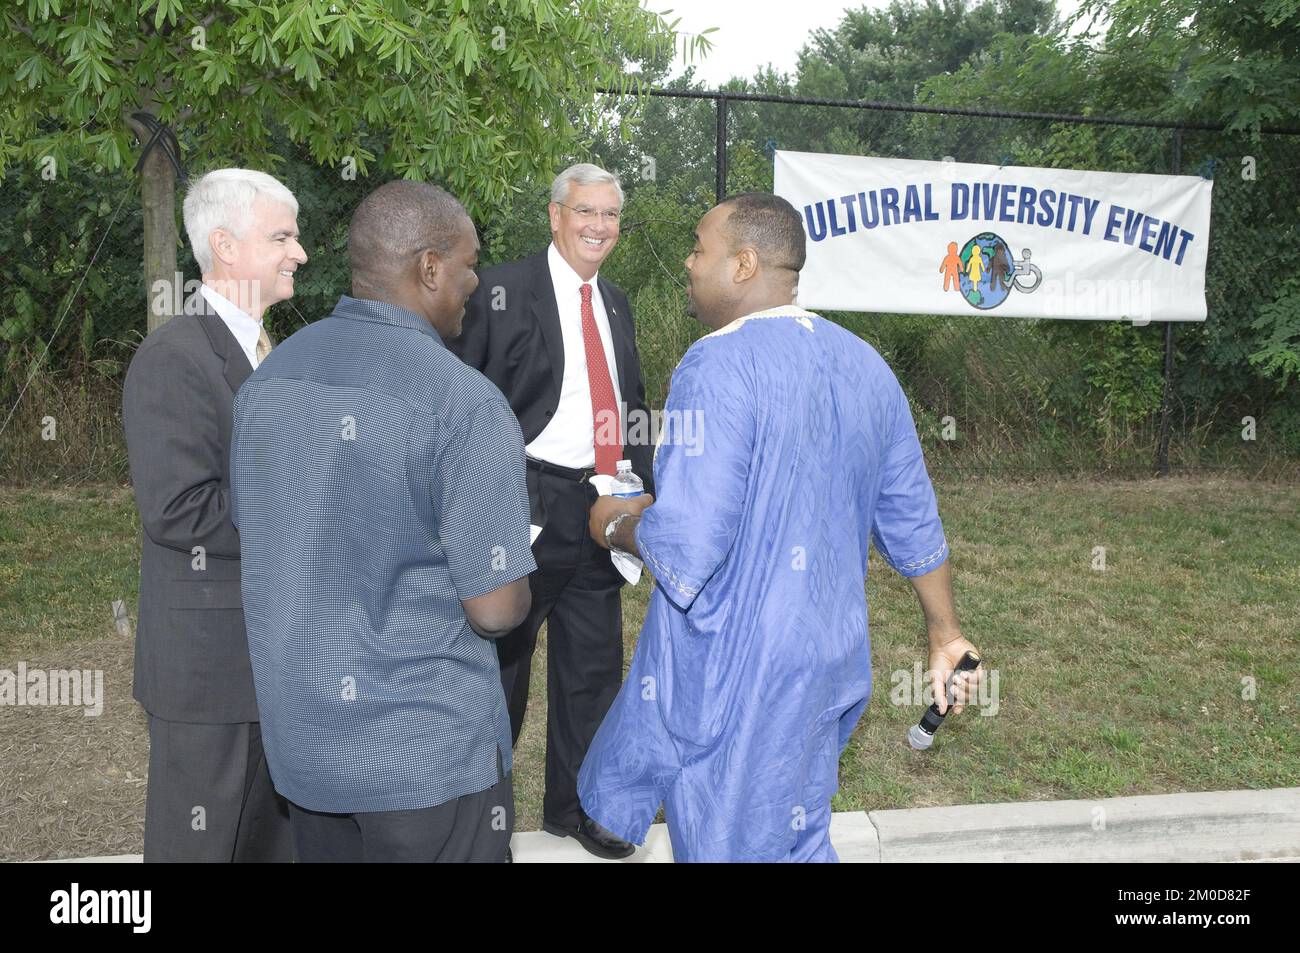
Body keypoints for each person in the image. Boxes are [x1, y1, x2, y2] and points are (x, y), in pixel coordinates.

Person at [580, 192, 984, 862]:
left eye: (699, 247)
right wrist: (945, 632)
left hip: (738, 683)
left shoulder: (716, 364)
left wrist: (615, 519)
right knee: (795, 839)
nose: (688, 262)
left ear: (742, 264)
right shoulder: (866, 365)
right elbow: (913, 521)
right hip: (829, 666)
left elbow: (686, 546)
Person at [229, 181, 533, 863]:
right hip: (425, 763)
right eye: (467, 262)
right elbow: (494, 609)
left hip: (307, 751)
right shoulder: (465, 403)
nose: (475, 280)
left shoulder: (268, 381)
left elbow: (268, 529)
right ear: (429, 267)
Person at [448, 163, 655, 859]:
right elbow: (459, 397)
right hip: (519, 500)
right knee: (501, 669)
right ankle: (482, 826)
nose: (599, 226)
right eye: (586, 211)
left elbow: (631, 402)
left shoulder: (617, 302)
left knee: (593, 669)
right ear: (555, 215)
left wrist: (640, 491)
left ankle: (579, 809)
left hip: (598, 507)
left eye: (611, 215)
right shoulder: (500, 290)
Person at [122, 168, 305, 862]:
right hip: (209, 672)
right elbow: (179, 510)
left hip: (273, 662)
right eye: (282, 236)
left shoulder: (269, 354)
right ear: (225, 247)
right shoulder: (173, 358)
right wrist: (306, 513)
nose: (300, 252)